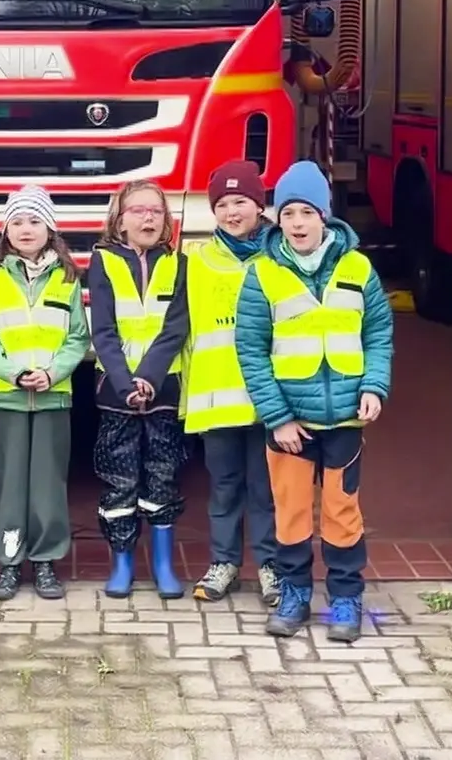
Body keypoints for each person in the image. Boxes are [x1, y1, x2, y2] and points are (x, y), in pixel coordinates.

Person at [234, 160, 394, 644]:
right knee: (292, 512)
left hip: (344, 418)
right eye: (288, 214)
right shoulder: (261, 275)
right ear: (276, 219)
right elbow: (251, 349)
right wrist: (277, 417)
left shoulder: (357, 267)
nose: (298, 223)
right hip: (289, 423)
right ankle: (295, 594)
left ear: (325, 215)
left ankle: (345, 598)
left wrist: (373, 386)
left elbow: (379, 331)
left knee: (343, 512)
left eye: (307, 212)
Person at [172, 161, 281, 606]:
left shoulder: (281, 256)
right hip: (216, 399)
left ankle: (272, 567)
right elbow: (181, 330)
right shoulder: (195, 261)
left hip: (269, 400)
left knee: (266, 488)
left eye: (241, 202)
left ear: (259, 205)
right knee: (223, 487)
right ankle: (224, 563)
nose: (232, 212)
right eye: (222, 204)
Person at [0, 185, 88, 601]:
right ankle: (8, 563)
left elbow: (77, 338)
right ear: (6, 230)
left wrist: (53, 373)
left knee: (47, 484)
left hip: (53, 397)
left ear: (50, 229)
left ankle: (44, 561)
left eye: (34, 221)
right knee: (8, 484)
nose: (26, 229)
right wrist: (15, 372)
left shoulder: (67, 279)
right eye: (17, 221)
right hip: (5, 397)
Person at [86, 179, 188, 600]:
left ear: (166, 221)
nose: (148, 217)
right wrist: (127, 383)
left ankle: (163, 565)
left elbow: (176, 327)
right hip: (117, 394)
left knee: (163, 476)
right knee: (119, 480)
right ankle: (122, 564)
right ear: (119, 220)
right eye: (138, 210)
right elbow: (104, 332)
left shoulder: (179, 263)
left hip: (163, 391)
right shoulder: (102, 262)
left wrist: (150, 377)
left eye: (156, 211)